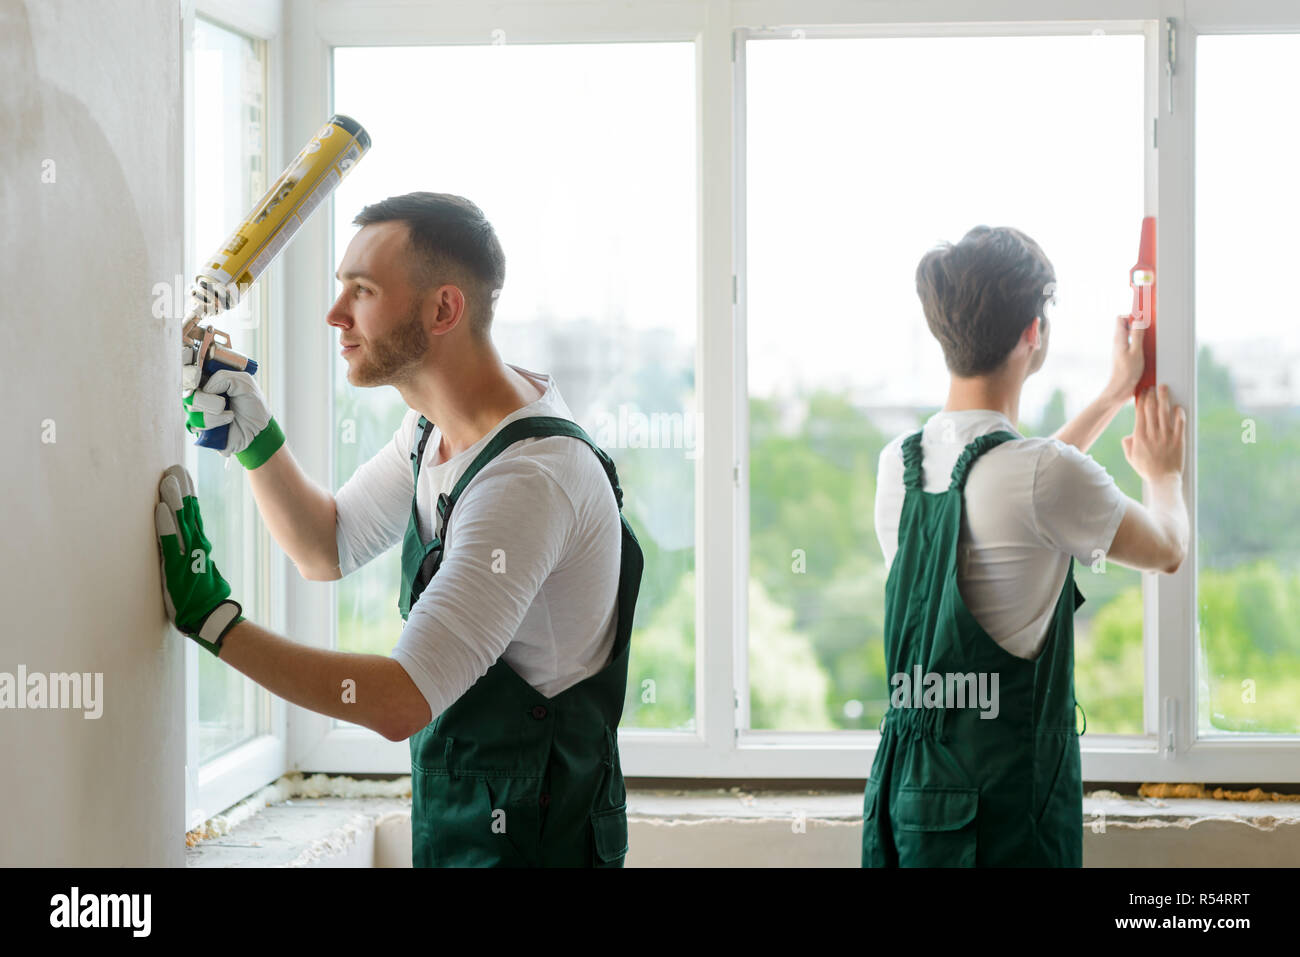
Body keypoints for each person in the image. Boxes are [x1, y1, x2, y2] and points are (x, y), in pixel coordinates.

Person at [155, 191, 642, 867]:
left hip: (538, 845)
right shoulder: (434, 429)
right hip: (468, 827)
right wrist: (255, 438)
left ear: (443, 308)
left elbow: (399, 699)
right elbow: (327, 545)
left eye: (362, 291)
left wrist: (216, 622)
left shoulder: (528, 480)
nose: (335, 315)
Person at [861, 225, 1188, 867]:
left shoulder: (897, 464)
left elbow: (1019, 488)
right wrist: (1164, 474)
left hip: (905, 808)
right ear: (1033, 332)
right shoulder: (1038, 476)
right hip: (1001, 825)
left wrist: (1112, 396)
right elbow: (1167, 548)